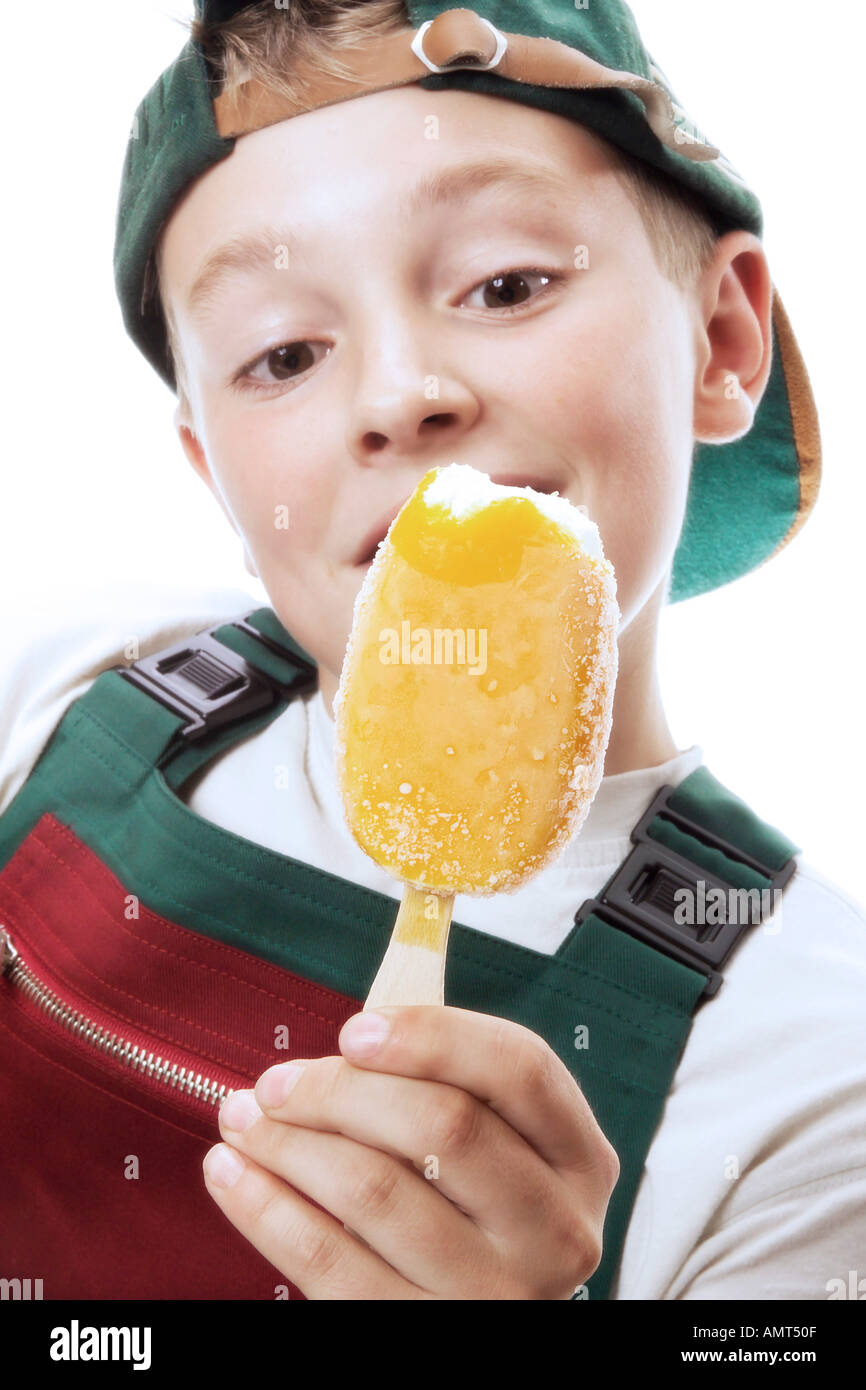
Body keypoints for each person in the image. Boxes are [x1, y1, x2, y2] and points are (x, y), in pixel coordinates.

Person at [1, 0, 864, 1302]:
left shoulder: (820, 1079)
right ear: (214, 475)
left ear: (720, 341)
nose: (400, 393)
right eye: (284, 354)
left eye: (506, 286)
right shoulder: (59, 686)